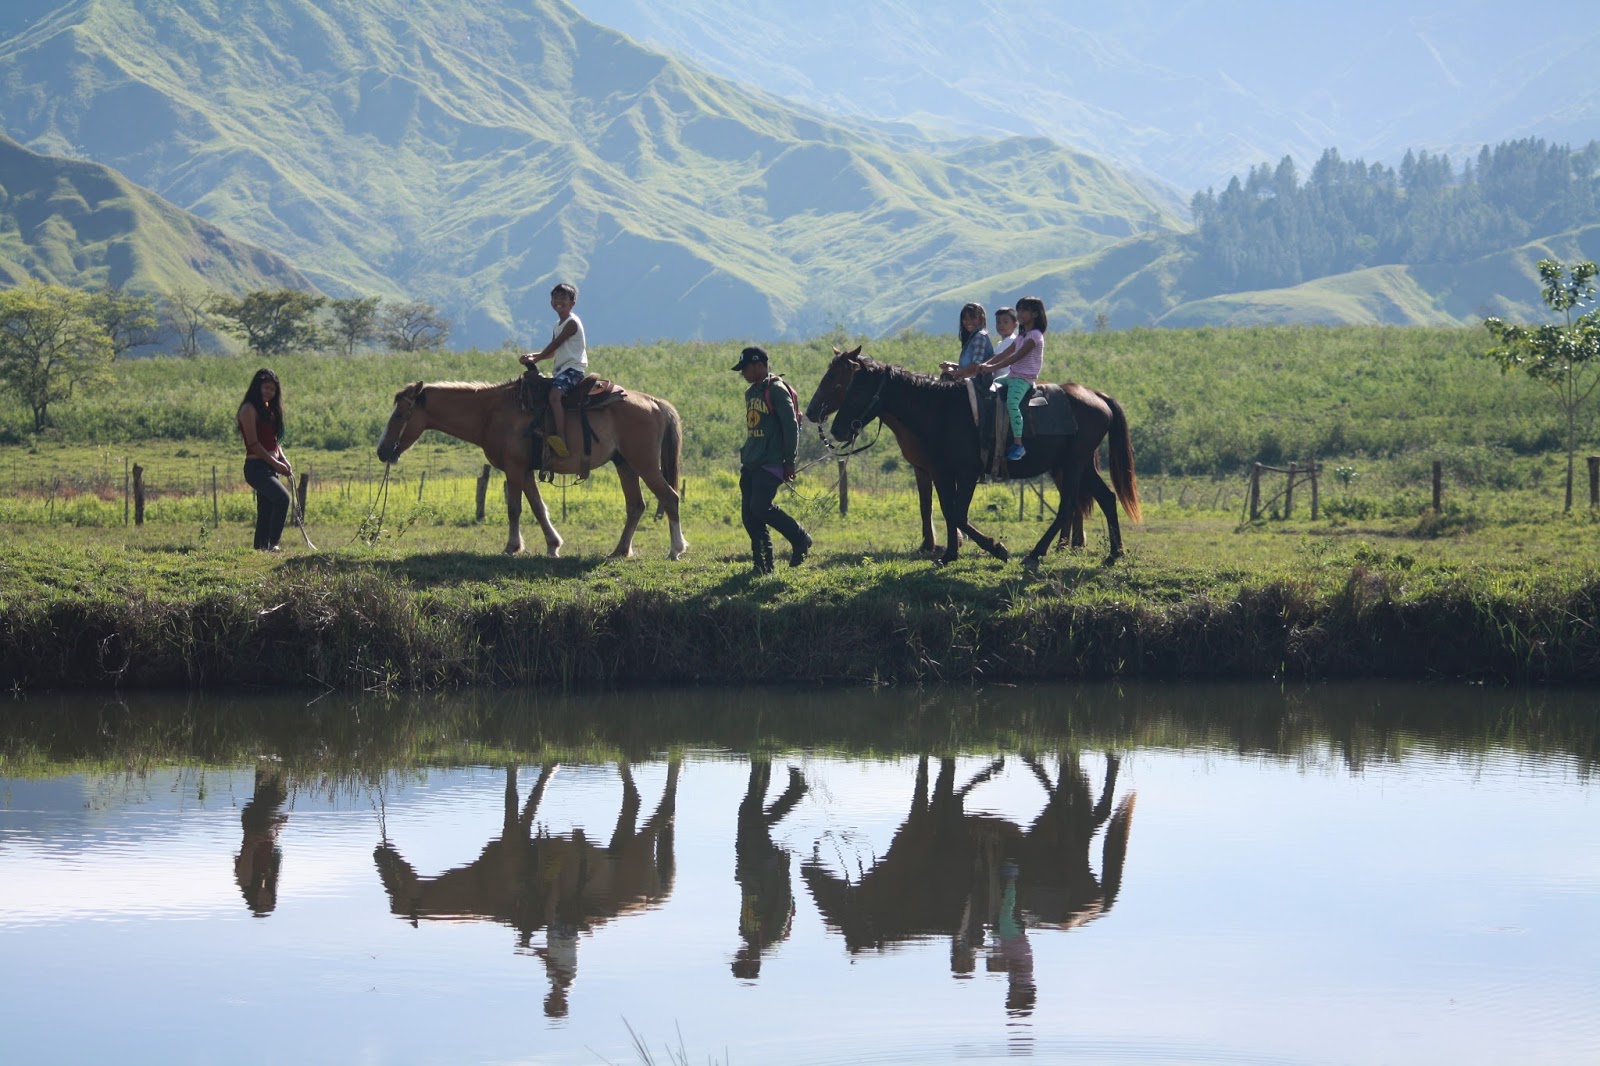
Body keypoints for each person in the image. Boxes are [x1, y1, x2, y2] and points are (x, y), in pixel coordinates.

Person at [734, 345, 810, 573]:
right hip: (752, 461)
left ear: (760, 365)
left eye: (745, 368)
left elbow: (790, 425)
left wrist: (790, 460)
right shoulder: (752, 392)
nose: (742, 374)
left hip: (772, 461)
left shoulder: (776, 390)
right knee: (749, 515)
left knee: (760, 506)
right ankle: (763, 565)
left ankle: (800, 538)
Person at [956, 295, 1047, 461]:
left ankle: (1018, 444)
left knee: (1012, 403)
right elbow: (1005, 353)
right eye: (1019, 310)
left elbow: (1016, 356)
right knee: (990, 391)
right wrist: (984, 365)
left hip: (1023, 379)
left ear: (1035, 314)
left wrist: (991, 367)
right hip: (1011, 375)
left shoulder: (1035, 336)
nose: (1020, 313)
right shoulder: (1022, 336)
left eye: (1024, 310)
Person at [519, 282, 586, 459]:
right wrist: (532, 355)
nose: (558, 301)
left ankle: (561, 437)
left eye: (563, 298)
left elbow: (555, 344)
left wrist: (537, 358)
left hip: (573, 369)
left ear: (573, 302)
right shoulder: (558, 324)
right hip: (561, 370)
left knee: (554, 396)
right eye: (555, 297)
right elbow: (553, 352)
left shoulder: (572, 323)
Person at [237, 367, 294, 551]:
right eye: (266, 387)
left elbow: (274, 441)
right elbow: (253, 444)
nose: (269, 392)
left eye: (272, 389)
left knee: (266, 510)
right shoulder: (248, 409)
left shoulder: (269, 409)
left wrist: (284, 460)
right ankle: (273, 544)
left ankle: (260, 548)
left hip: (269, 467)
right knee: (282, 499)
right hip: (256, 467)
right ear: (257, 386)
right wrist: (276, 464)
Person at [939, 302, 994, 377]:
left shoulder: (979, 336)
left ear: (981, 319)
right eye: (965, 319)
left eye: (972, 318)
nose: (968, 322)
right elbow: (969, 366)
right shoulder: (973, 337)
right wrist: (953, 365)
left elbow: (975, 367)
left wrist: (953, 373)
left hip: (977, 383)